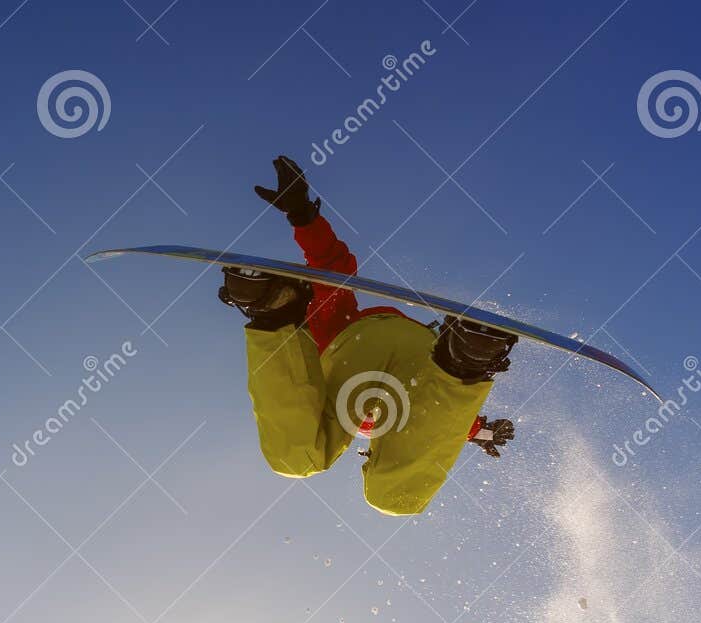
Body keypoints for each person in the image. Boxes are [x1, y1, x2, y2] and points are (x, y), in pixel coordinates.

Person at [219, 156, 518, 516]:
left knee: (374, 484)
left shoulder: (337, 373)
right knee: (370, 467)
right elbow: (334, 270)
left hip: (368, 348)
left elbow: (441, 426)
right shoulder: (338, 349)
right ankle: (463, 358)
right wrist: (302, 216)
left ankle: (276, 309)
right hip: (421, 359)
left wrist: (302, 215)